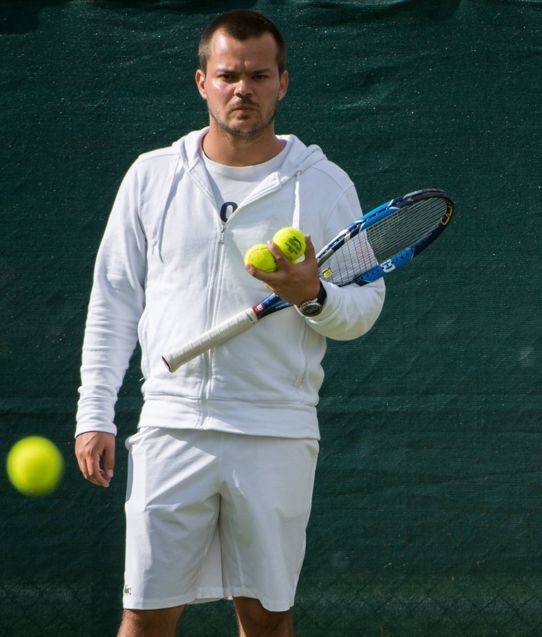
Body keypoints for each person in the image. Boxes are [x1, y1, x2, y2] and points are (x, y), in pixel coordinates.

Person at [73, 10, 384, 637]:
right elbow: (113, 301)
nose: (243, 88)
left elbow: (364, 310)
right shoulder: (151, 177)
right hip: (171, 428)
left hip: (275, 432)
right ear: (202, 83)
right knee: (144, 618)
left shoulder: (324, 186)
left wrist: (314, 295)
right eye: (229, 75)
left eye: (259, 76)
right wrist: (94, 414)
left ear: (282, 84)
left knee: (266, 620)